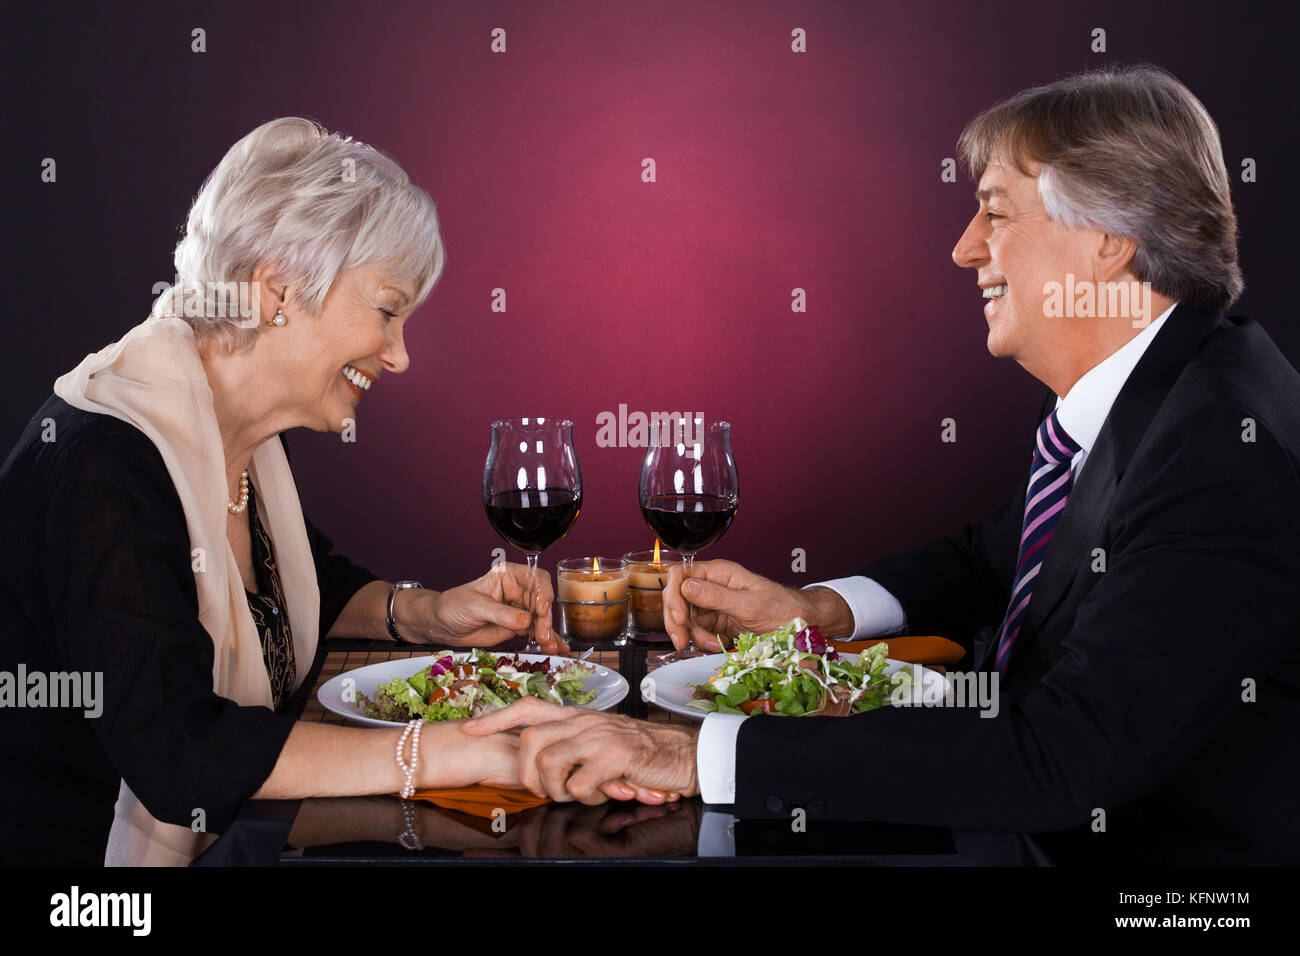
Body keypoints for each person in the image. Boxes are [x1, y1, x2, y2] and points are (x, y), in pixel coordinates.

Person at [463, 65, 1300, 865]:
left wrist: (690, 754)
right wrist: (817, 609)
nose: (964, 249)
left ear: (1108, 245)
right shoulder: (1168, 393)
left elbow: (1059, 759)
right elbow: (992, 558)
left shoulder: (1225, 454)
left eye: (996, 213)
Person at [0, 117, 568, 866]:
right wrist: (442, 754)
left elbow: (291, 587)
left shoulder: (236, 428)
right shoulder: (103, 467)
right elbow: (177, 752)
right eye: (388, 310)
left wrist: (428, 614)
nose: (398, 356)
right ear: (275, 289)